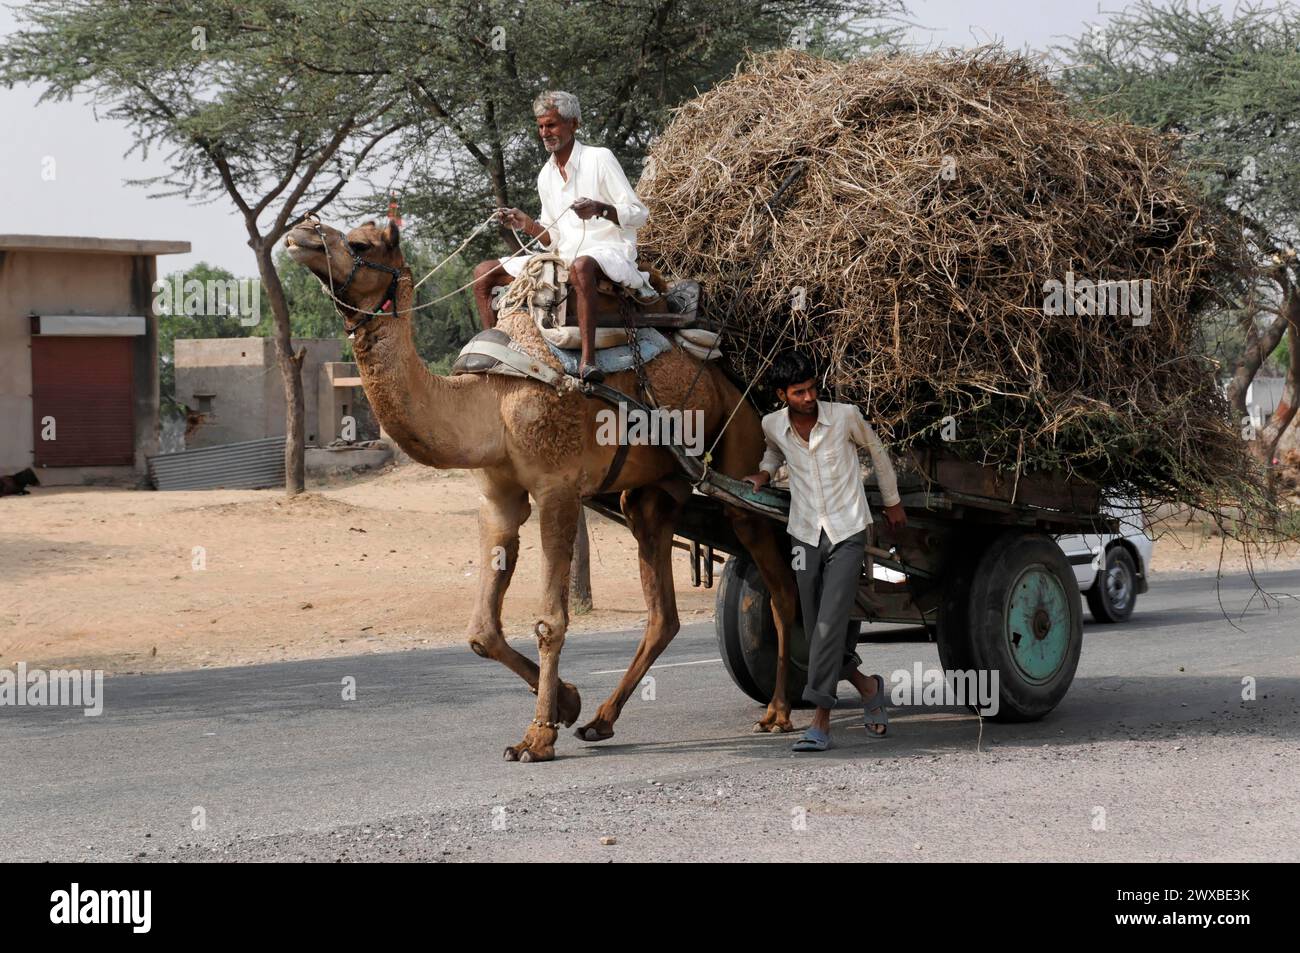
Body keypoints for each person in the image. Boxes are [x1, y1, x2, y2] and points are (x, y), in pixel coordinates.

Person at [744, 350, 907, 752]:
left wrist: (892, 501)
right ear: (782, 394)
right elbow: (775, 454)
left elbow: (878, 452)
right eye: (799, 392)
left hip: (848, 529)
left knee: (830, 624)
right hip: (804, 535)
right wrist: (765, 472)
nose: (809, 397)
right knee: (815, 630)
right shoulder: (772, 425)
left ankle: (820, 723)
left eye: (813, 388)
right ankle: (869, 687)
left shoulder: (844, 416)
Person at [471, 90, 658, 384]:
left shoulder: (600, 158)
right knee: (483, 273)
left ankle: (588, 362)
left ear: (574, 124)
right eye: (541, 126)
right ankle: (495, 356)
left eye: (552, 125)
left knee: (581, 266)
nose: (545, 132)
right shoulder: (545, 175)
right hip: (564, 256)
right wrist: (526, 224)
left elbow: (639, 214)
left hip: (609, 251)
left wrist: (600, 209)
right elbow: (553, 238)